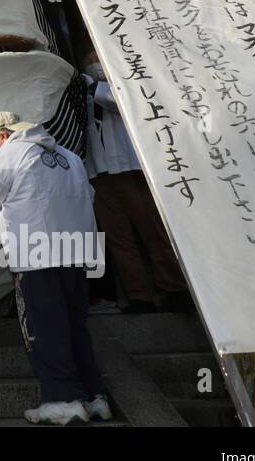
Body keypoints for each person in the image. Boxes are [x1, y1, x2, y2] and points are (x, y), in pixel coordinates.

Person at [0, 111, 109, 426]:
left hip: (36, 254)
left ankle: (63, 400)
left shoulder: (11, 151)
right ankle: (95, 397)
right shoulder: (68, 155)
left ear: (2, 134)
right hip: (76, 251)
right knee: (75, 328)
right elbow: (90, 196)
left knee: (44, 329)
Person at [81, 52, 191, 314]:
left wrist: (94, 84)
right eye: (90, 59)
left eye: (97, 56)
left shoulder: (125, 81)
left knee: (152, 230)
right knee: (119, 237)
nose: (94, 62)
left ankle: (174, 287)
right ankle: (138, 294)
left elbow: (114, 101)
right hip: (99, 173)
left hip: (129, 168)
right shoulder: (78, 90)